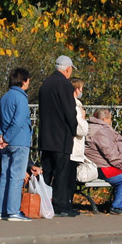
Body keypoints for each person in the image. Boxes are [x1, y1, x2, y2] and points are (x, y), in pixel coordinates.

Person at [38, 55, 79, 217]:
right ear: (67, 69)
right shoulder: (65, 85)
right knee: (61, 172)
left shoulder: (45, 84)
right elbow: (69, 111)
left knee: (47, 172)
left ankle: (43, 203)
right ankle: (60, 206)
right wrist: (73, 129)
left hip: (46, 136)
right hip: (61, 137)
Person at [0, 67, 33, 221]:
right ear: (24, 81)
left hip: (5, 143)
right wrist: (7, 138)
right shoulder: (21, 98)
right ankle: (13, 211)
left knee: (5, 176)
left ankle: (1, 210)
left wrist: (1, 137)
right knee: (16, 176)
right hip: (19, 141)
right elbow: (18, 121)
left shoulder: (4, 97)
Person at [85, 108, 122, 215]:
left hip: (97, 165)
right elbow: (110, 154)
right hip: (101, 167)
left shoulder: (92, 128)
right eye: (110, 119)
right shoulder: (101, 131)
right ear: (105, 119)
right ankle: (118, 206)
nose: (111, 121)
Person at [69, 77, 90, 179]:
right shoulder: (76, 106)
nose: (82, 91)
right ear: (76, 89)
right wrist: (84, 118)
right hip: (74, 150)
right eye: (81, 88)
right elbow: (82, 129)